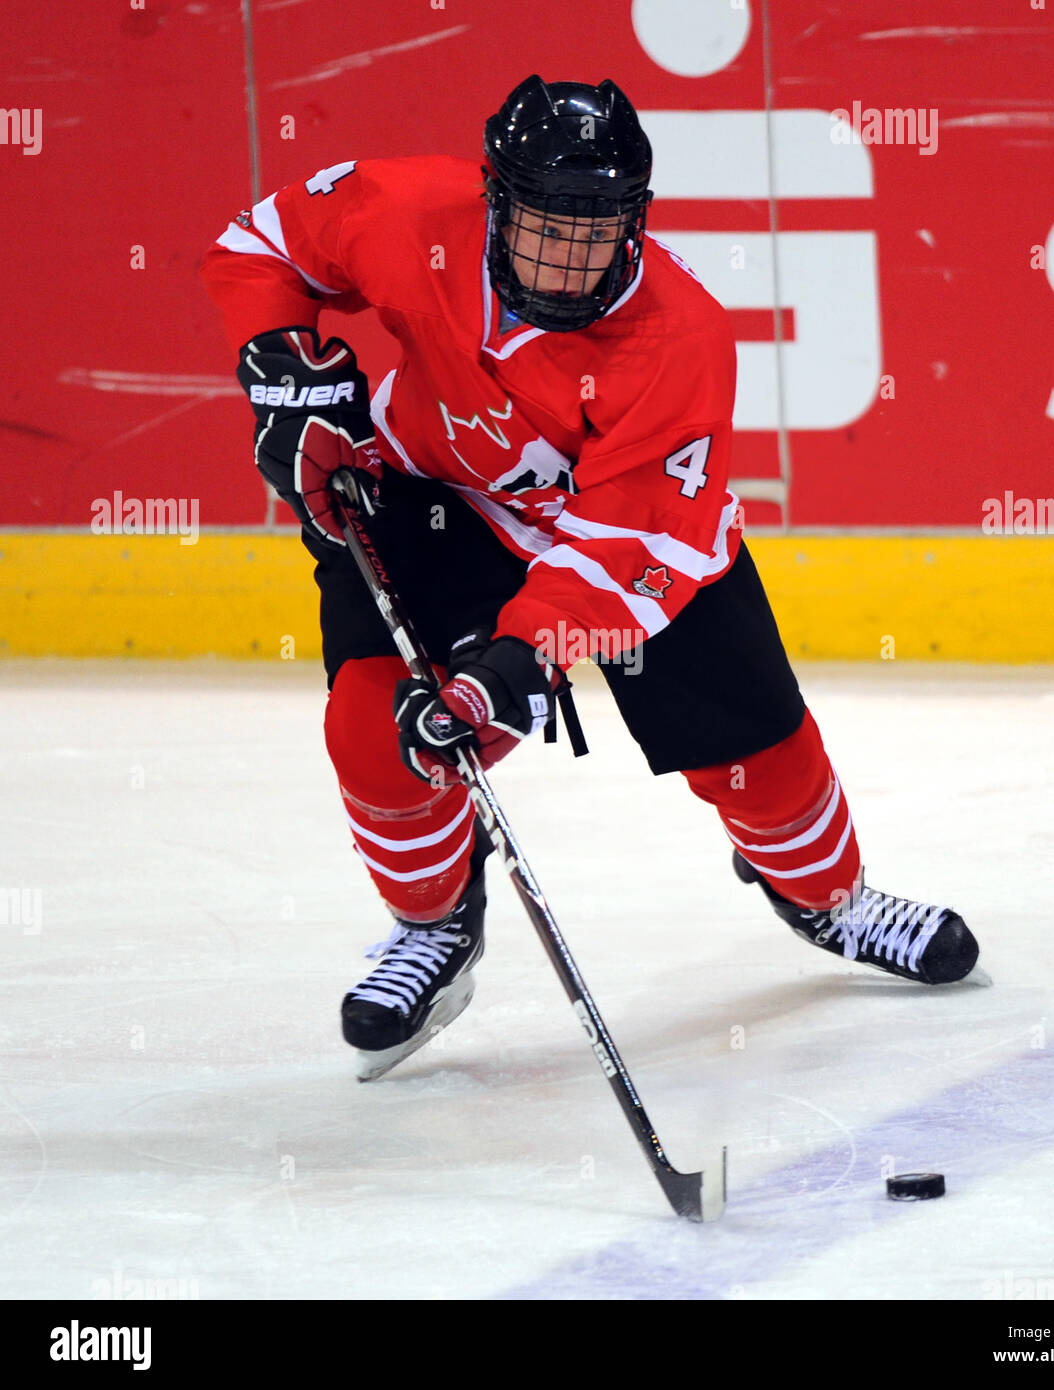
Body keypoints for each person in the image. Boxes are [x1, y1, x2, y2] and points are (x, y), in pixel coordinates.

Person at [202, 75, 979, 1080]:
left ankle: (830, 900)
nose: (570, 261)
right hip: (434, 495)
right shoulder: (406, 217)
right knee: (372, 723)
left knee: (765, 765)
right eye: (544, 228)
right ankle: (434, 927)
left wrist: (521, 657)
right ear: (492, 201)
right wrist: (279, 366)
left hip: (626, 551)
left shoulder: (678, 336)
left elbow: (625, 541)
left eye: (597, 232)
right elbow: (258, 242)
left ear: (635, 223)